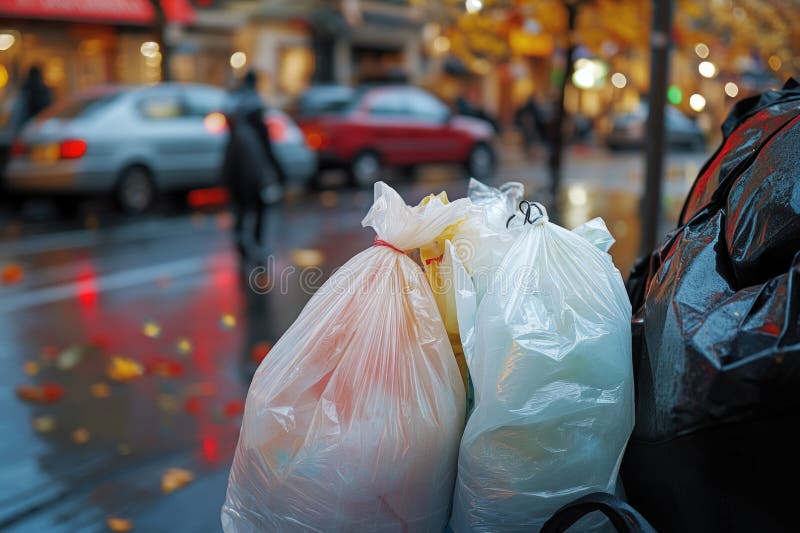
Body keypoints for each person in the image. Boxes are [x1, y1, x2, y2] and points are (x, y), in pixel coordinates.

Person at [221, 70, 286, 259]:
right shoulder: (255, 105)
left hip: (233, 164)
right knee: (258, 205)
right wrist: (278, 170)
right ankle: (255, 241)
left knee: (240, 206)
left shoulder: (234, 102)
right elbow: (267, 146)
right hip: (252, 167)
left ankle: (241, 238)